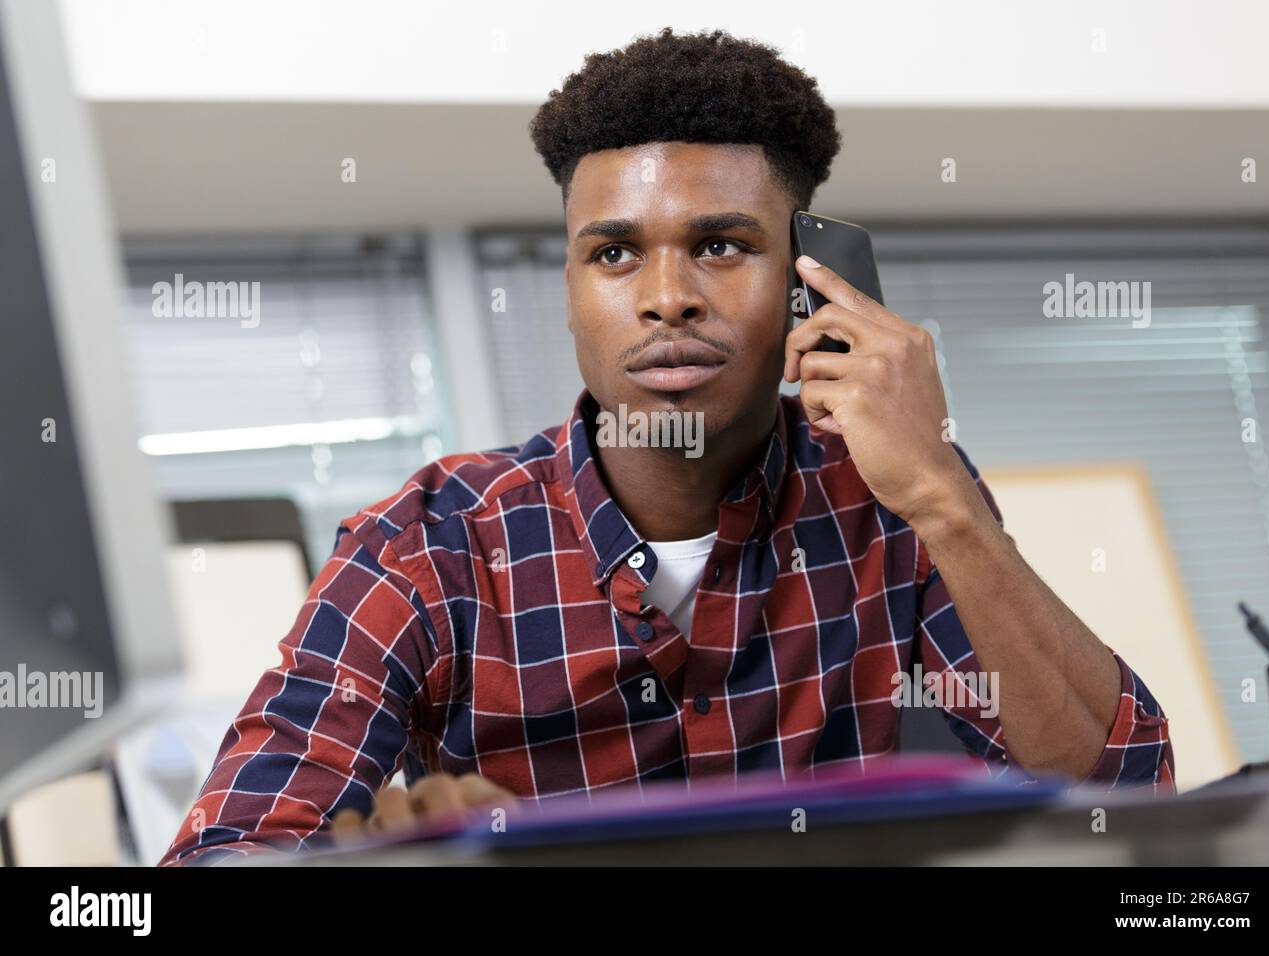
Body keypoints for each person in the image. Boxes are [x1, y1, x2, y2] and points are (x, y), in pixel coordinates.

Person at [160, 27, 1174, 866]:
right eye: (613, 253)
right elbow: (225, 851)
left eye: (720, 244)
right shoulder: (427, 546)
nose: (665, 294)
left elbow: (1125, 801)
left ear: (809, 283)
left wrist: (946, 499)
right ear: (571, 296)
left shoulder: (894, 499)